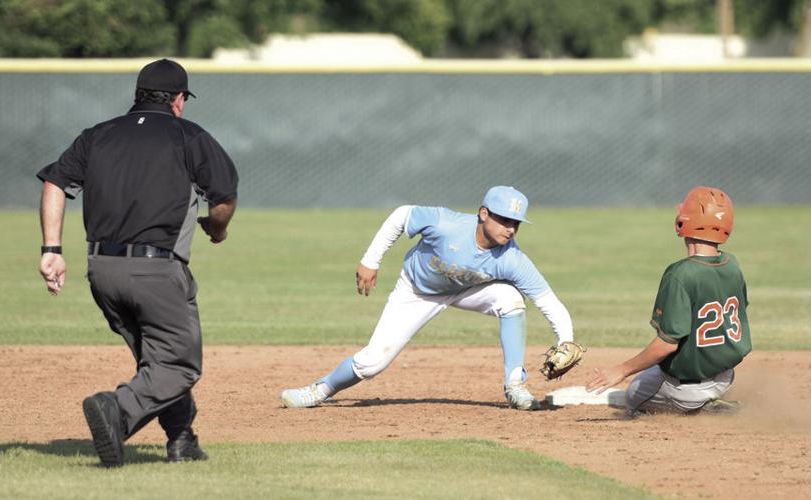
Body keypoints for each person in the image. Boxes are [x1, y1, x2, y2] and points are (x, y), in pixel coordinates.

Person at [37, 59, 238, 466]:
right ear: (178, 99)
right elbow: (224, 197)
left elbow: (55, 182)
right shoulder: (189, 135)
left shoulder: (98, 135)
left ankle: (182, 440)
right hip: (156, 271)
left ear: (139, 95)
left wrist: (52, 250)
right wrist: (217, 229)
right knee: (179, 366)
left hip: (102, 270)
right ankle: (116, 409)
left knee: (155, 361)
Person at [280, 186, 578, 410]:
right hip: (416, 291)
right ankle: (319, 390)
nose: (511, 229)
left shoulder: (512, 258)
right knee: (372, 363)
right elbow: (401, 215)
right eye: (504, 220)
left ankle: (515, 384)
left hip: (465, 290)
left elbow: (548, 301)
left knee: (510, 298)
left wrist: (566, 340)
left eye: (516, 223)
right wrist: (371, 260)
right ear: (484, 214)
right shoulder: (447, 225)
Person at [586, 186, 751, 415]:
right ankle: (713, 396)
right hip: (726, 377)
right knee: (654, 374)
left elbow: (667, 344)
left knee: (633, 395)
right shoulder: (732, 264)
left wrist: (621, 370)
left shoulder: (680, 274)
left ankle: (701, 408)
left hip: (687, 390)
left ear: (686, 221)